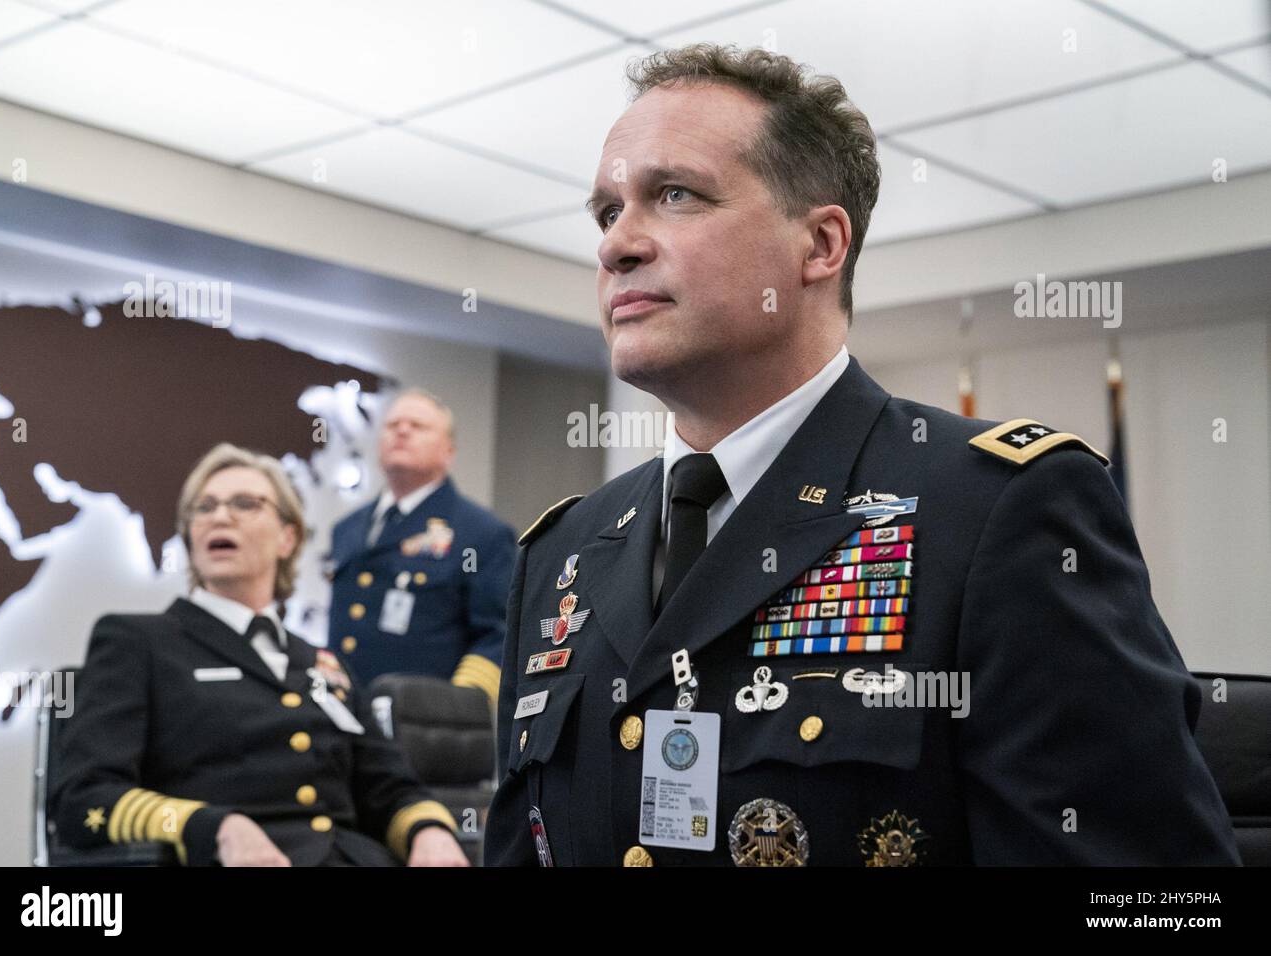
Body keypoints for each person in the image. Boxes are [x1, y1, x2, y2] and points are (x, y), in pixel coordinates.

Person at [485, 44, 1240, 867]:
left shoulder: (997, 509)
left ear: (819, 245)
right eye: (606, 212)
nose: (616, 246)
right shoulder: (560, 552)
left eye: (674, 195)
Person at [55, 443, 469, 866]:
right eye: (204, 507)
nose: (220, 516)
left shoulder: (322, 661)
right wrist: (210, 827)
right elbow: (83, 801)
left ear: (287, 538)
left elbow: (389, 784)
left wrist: (428, 831)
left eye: (245, 504)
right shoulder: (138, 641)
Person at [328, 389, 515, 705]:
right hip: (343, 712)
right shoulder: (347, 528)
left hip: (420, 724)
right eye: (392, 425)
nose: (402, 431)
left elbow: (498, 635)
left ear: (448, 451)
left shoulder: (482, 534)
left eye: (418, 426)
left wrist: (460, 705)